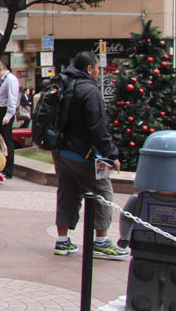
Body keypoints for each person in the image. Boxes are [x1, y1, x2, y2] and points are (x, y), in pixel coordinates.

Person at [51, 51, 129, 259]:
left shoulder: (60, 82)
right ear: (89, 68)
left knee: (67, 192)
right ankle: (101, 241)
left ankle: (62, 240)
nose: (98, 73)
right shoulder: (88, 90)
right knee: (103, 192)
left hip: (59, 150)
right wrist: (111, 154)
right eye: (96, 69)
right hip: (82, 153)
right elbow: (97, 126)